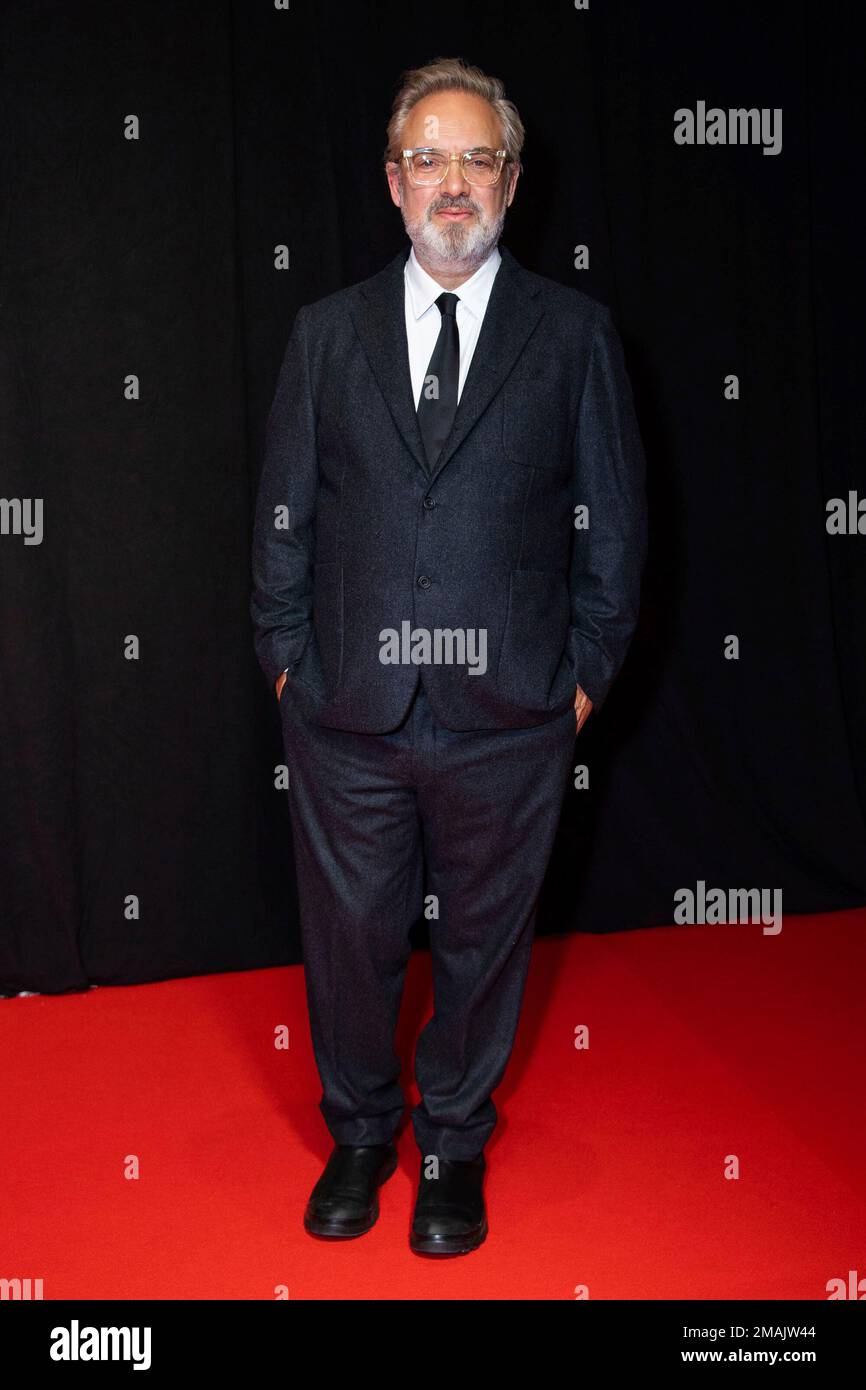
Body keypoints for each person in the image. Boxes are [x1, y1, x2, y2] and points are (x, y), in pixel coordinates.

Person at [250, 56, 647, 1256]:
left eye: (478, 157)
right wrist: (286, 667)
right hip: (347, 716)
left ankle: (454, 1146)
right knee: (351, 941)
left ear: (512, 183)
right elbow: (281, 518)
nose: (453, 181)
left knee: (482, 944)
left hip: (509, 718)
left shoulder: (573, 335)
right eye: (429, 157)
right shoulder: (324, 337)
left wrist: (576, 683)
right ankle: (362, 1131)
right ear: (391, 182)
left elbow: (615, 529)